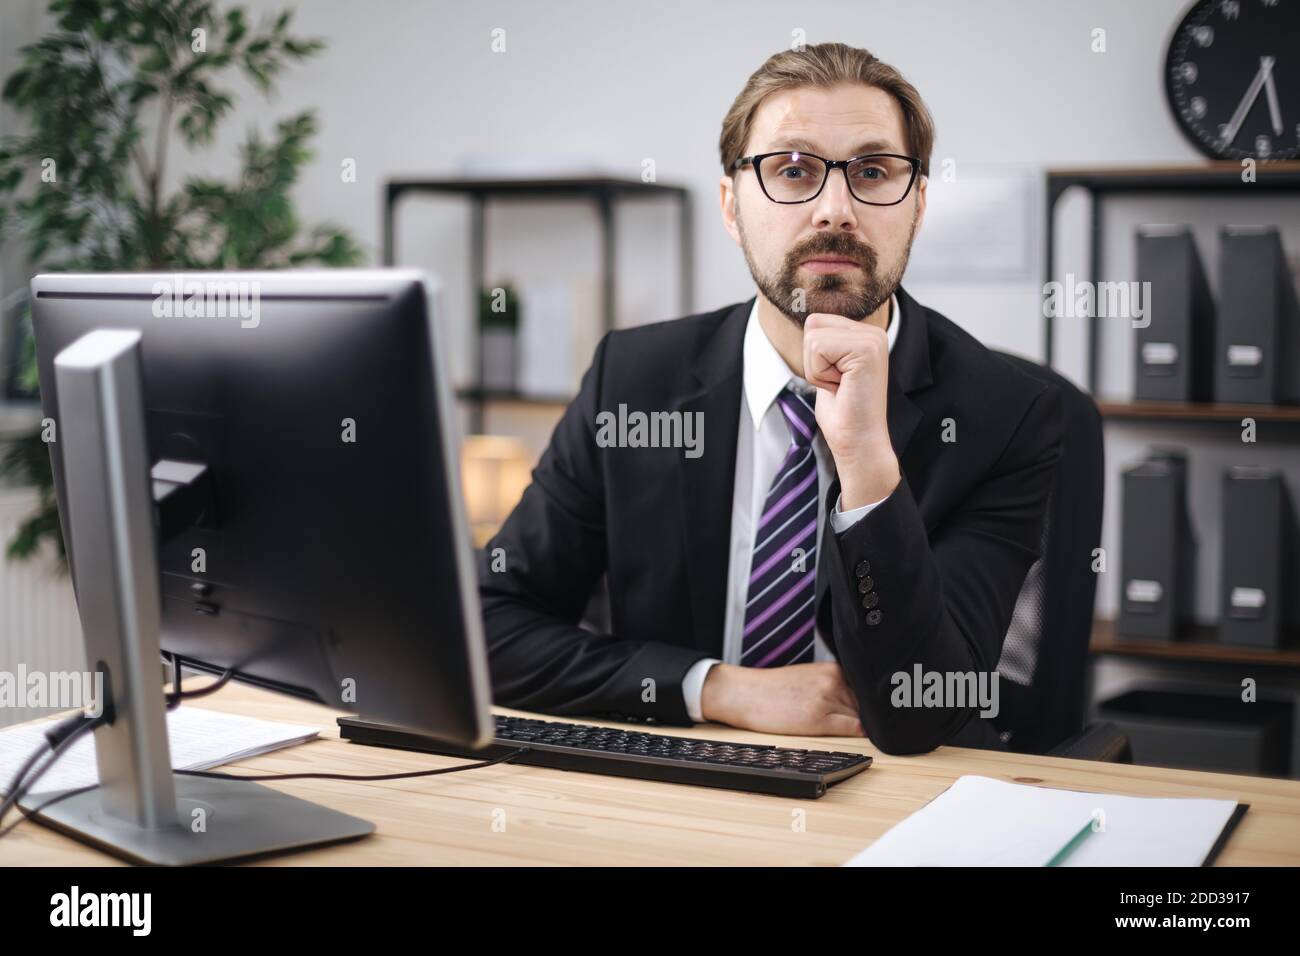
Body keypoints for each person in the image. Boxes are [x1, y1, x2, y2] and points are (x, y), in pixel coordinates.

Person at [477, 42, 1063, 754]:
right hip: (679, 780)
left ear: (916, 207)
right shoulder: (633, 382)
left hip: (894, 801)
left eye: (873, 172)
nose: (835, 210)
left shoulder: (1006, 418)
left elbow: (921, 713)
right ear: (731, 206)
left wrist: (866, 466)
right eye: (793, 170)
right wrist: (715, 688)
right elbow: (489, 625)